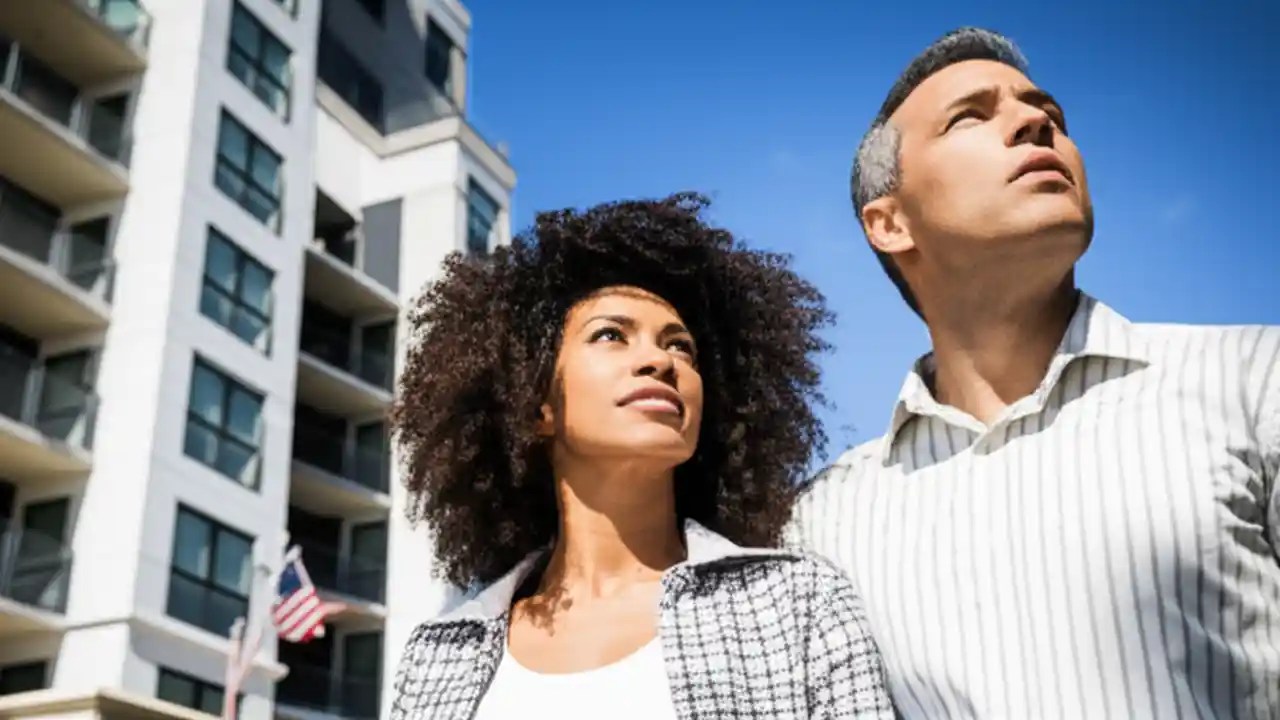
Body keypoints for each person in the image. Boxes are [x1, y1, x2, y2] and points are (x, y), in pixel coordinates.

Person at [790, 26, 1280, 719]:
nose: (1034, 123)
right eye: (971, 116)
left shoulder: (1253, 378)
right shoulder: (824, 519)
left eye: (1048, 113)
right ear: (890, 222)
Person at [387, 193, 896, 719]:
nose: (659, 360)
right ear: (536, 406)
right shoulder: (441, 654)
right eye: (611, 335)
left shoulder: (797, 604)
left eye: (681, 347)